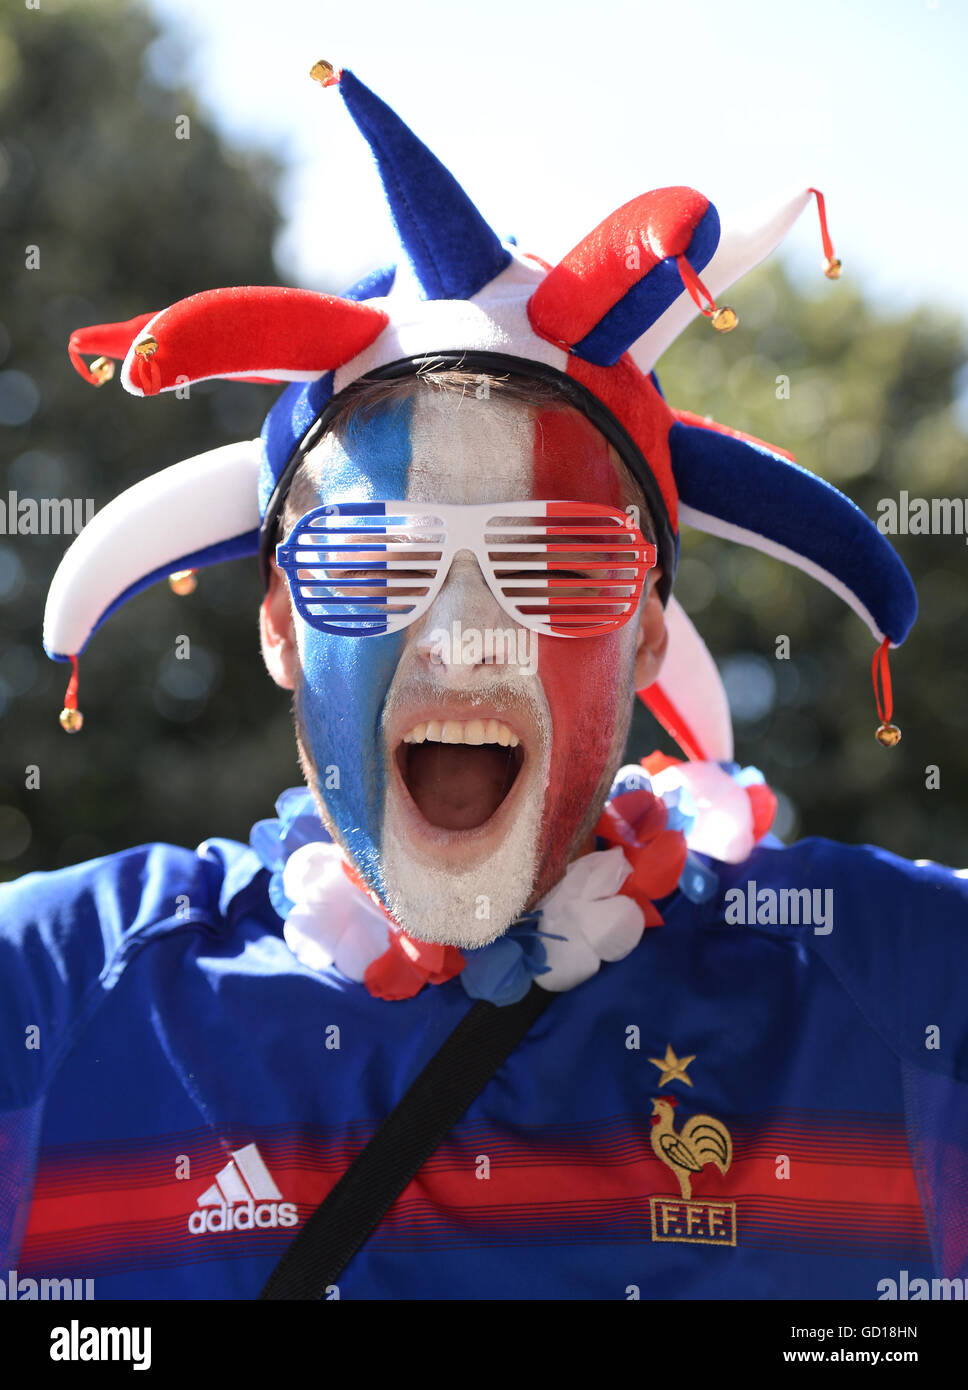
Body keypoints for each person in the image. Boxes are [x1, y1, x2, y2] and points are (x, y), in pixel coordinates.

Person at [1, 63, 965, 1302]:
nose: (466, 642)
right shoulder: (55, 995)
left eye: (557, 564)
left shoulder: (890, 989)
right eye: (372, 561)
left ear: (651, 635)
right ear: (281, 623)